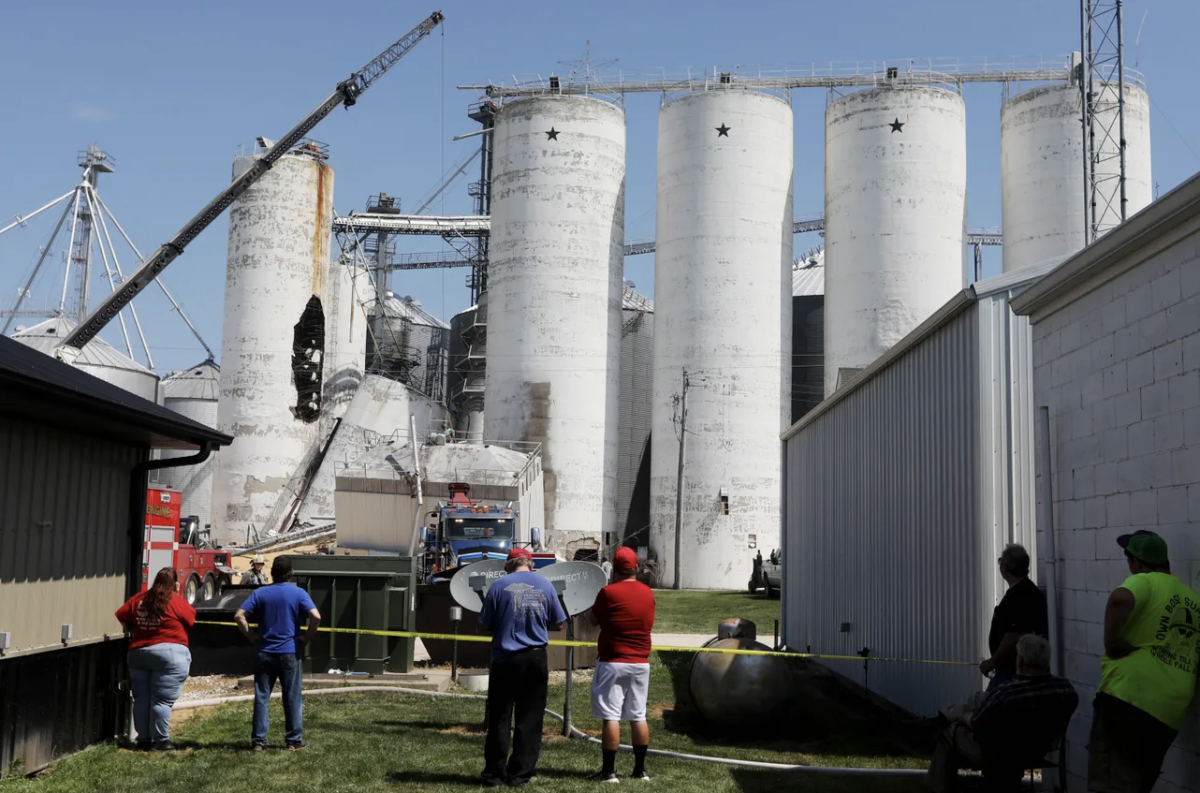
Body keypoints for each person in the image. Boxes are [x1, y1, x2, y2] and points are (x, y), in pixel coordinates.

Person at [1088, 530, 1200, 793]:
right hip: (1168, 712)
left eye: (1129, 560)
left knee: (1109, 784)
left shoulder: (1145, 582)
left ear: (1137, 562)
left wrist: (1112, 645)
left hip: (1128, 702)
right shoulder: (1193, 600)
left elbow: (1119, 599)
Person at [926, 634, 1078, 793]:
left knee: (949, 732)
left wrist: (965, 718)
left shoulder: (1007, 692)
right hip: (1037, 750)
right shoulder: (1065, 689)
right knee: (980, 698)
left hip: (998, 752)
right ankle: (945, 715)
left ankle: (938, 787)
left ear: (1020, 660)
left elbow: (977, 723)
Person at [478, 548, 567, 787]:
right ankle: (519, 774)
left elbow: (484, 623)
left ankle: (494, 774)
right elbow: (559, 623)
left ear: (509, 565)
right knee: (530, 718)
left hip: (506, 658)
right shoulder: (545, 585)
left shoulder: (498, 586)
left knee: (500, 717)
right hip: (535, 658)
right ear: (530, 563)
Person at [235, 556, 321, 751]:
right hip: (290, 651)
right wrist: (307, 638)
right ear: (290, 573)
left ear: (272, 572)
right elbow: (316, 616)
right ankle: (294, 740)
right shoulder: (298, 593)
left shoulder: (261, 593)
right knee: (292, 696)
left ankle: (259, 741)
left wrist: (251, 636)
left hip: (265, 651)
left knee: (262, 696)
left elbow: (239, 615)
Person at [588, 546, 656, 783]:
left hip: (613, 660)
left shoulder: (608, 592)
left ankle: (609, 772)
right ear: (635, 567)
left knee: (611, 716)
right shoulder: (648, 592)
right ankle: (640, 770)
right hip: (640, 661)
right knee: (638, 716)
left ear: (614, 568)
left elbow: (593, 619)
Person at [115, 567, 196, 751]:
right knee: (161, 701)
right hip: (169, 654)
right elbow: (191, 620)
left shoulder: (139, 599)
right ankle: (161, 742)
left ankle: (143, 740)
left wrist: (134, 629)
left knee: (141, 698)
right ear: (174, 584)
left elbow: (121, 614)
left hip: (139, 653)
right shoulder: (175, 600)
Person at [980, 544, 1047, 688]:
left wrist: (993, 661)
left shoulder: (1021, 595)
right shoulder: (1025, 591)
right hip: (1015, 669)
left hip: (1013, 672)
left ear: (1005, 568)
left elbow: (1014, 635)